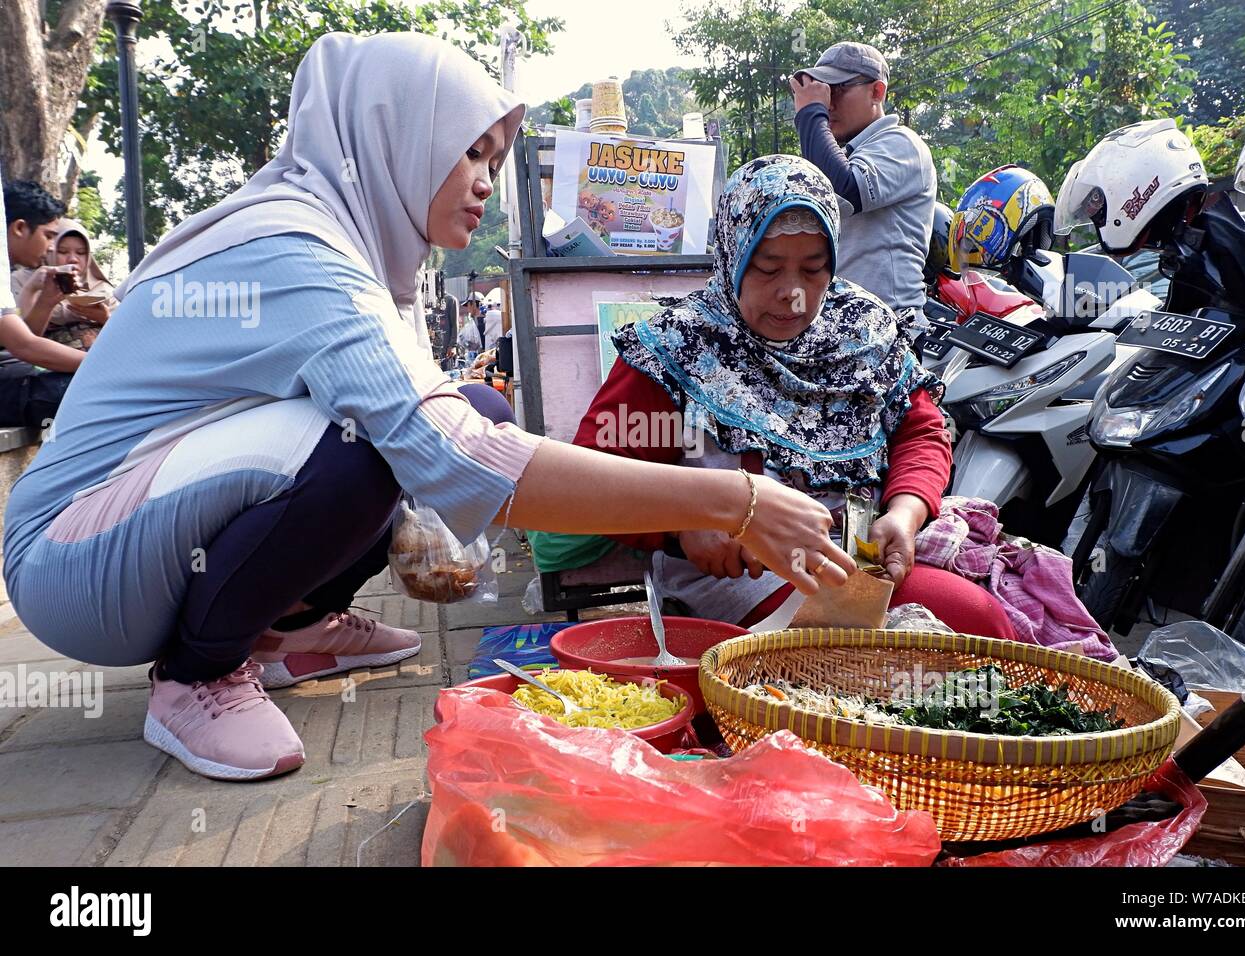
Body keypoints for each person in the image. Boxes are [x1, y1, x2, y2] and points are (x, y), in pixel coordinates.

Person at [1, 33, 852, 783]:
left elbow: (463, 429)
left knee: (470, 401)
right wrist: (734, 500)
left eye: (493, 157)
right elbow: (456, 458)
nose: (484, 181)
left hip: (142, 523)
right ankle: (196, 675)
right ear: (392, 137)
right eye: (470, 152)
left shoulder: (343, 239)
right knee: (377, 441)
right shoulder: (296, 248)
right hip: (74, 566)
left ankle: (281, 628)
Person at [531, 155, 1014, 637]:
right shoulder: (677, 347)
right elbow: (593, 484)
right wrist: (681, 526)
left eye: (813, 269)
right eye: (767, 268)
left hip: (860, 558)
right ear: (733, 255)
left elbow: (920, 428)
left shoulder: (864, 330)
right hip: (745, 579)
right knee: (836, 648)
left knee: (982, 622)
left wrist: (905, 512)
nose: (792, 293)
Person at [789, 42, 936, 338]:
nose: (828, 103)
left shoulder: (901, 142)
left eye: (837, 90)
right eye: (823, 92)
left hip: (890, 330)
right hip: (846, 325)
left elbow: (843, 193)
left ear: (877, 91)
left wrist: (811, 115)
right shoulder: (848, 154)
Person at [1, 177, 83, 427]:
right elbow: (25, 346)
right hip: (8, 384)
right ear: (19, 228)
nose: (49, 247)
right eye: (48, 236)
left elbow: (19, 342)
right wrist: (112, 367)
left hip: (14, 376)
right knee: (98, 392)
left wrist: (47, 300)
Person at [23, 219, 116, 351]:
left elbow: (130, 335)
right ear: (50, 252)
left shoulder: (104, 290)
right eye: (63, 251)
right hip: (47, 366)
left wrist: (105, 318)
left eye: (81, 253)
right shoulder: (27, 282)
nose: (73, 259)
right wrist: (44, 302)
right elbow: (22, 339)